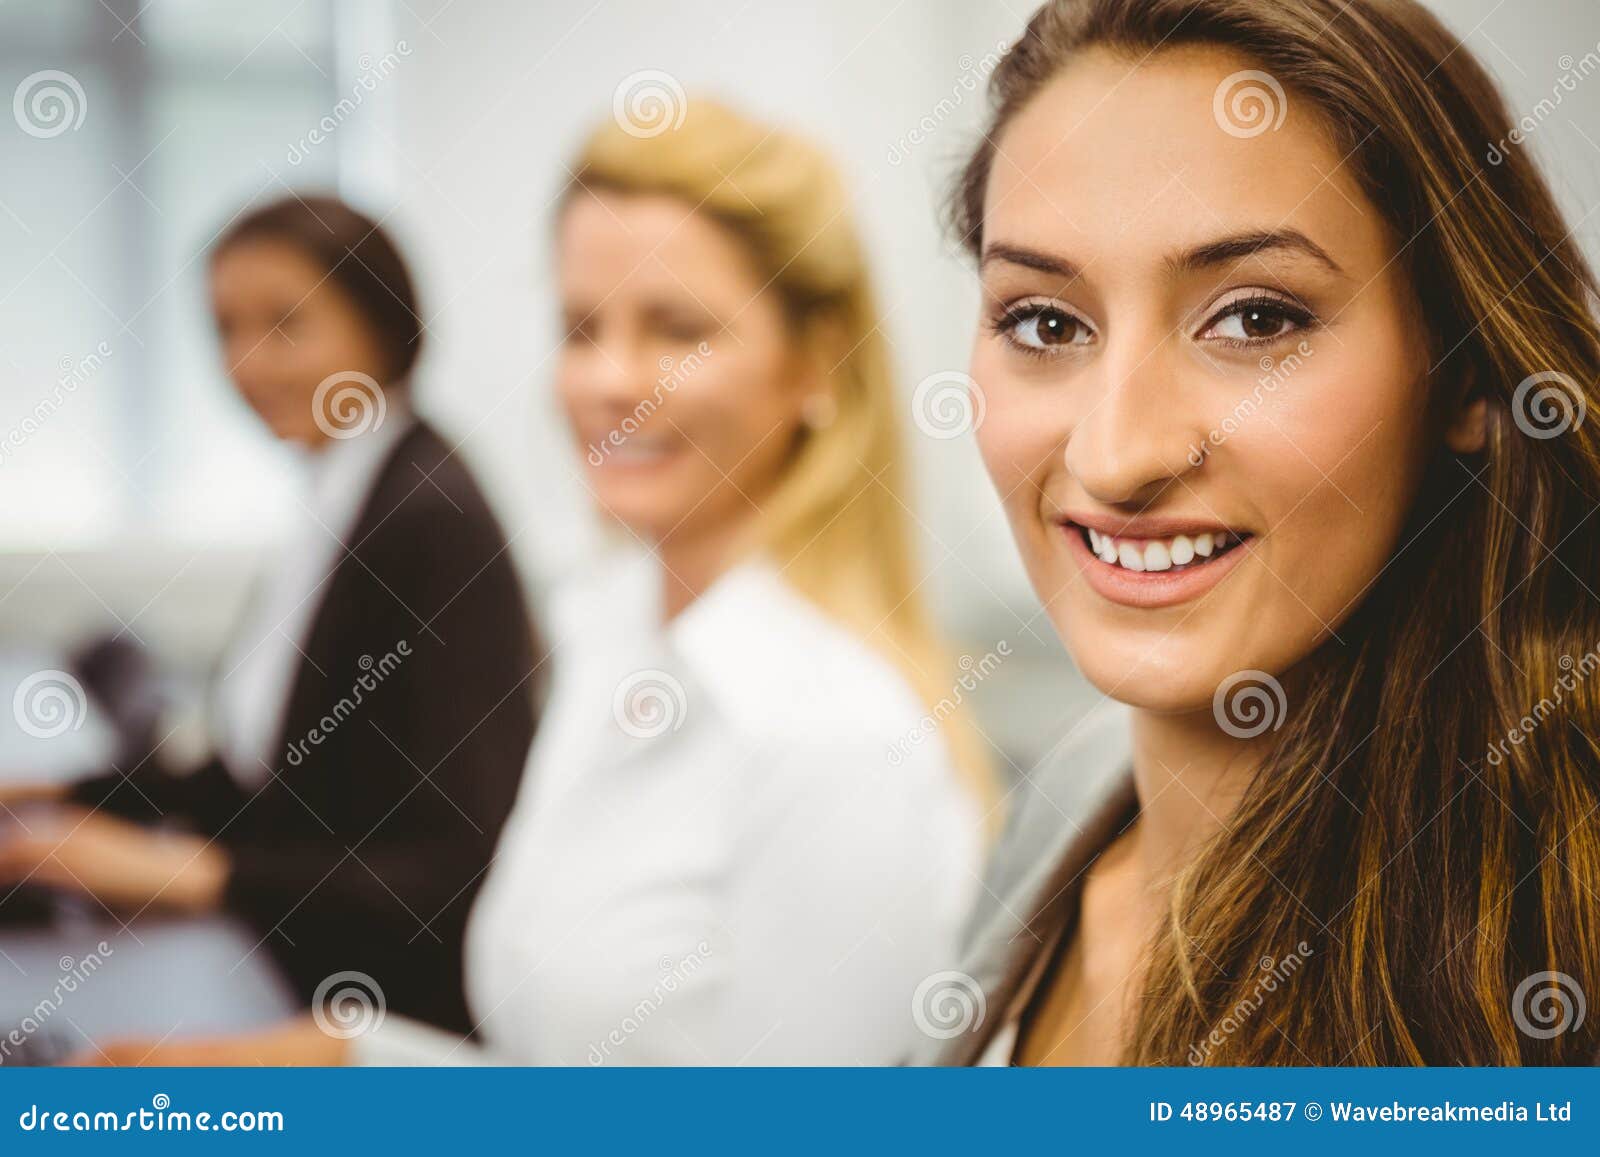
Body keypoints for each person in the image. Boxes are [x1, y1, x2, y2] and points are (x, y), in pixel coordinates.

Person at [80, 100, 993, 1067]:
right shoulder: (607, 641)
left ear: (816, 364)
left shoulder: (833, 740)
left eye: (675, 329)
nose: (608, 379)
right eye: (581, 328)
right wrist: (344, 1057)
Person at [906, 0, 1600, 1067]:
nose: (1115, 454)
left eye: (1256, 318)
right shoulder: (1060, 801)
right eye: (1044, 321)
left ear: (1463, 369)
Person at [0, 195, 540, 1036]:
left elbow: (452, 865)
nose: (247, 364)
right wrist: (61, 797)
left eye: (286, 325)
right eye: (225, 328)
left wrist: (198, 874)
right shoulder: (341, 488)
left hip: (374, 1013)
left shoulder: (430, 519)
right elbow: (266, 770)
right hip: (286, 960)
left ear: (384, 325)